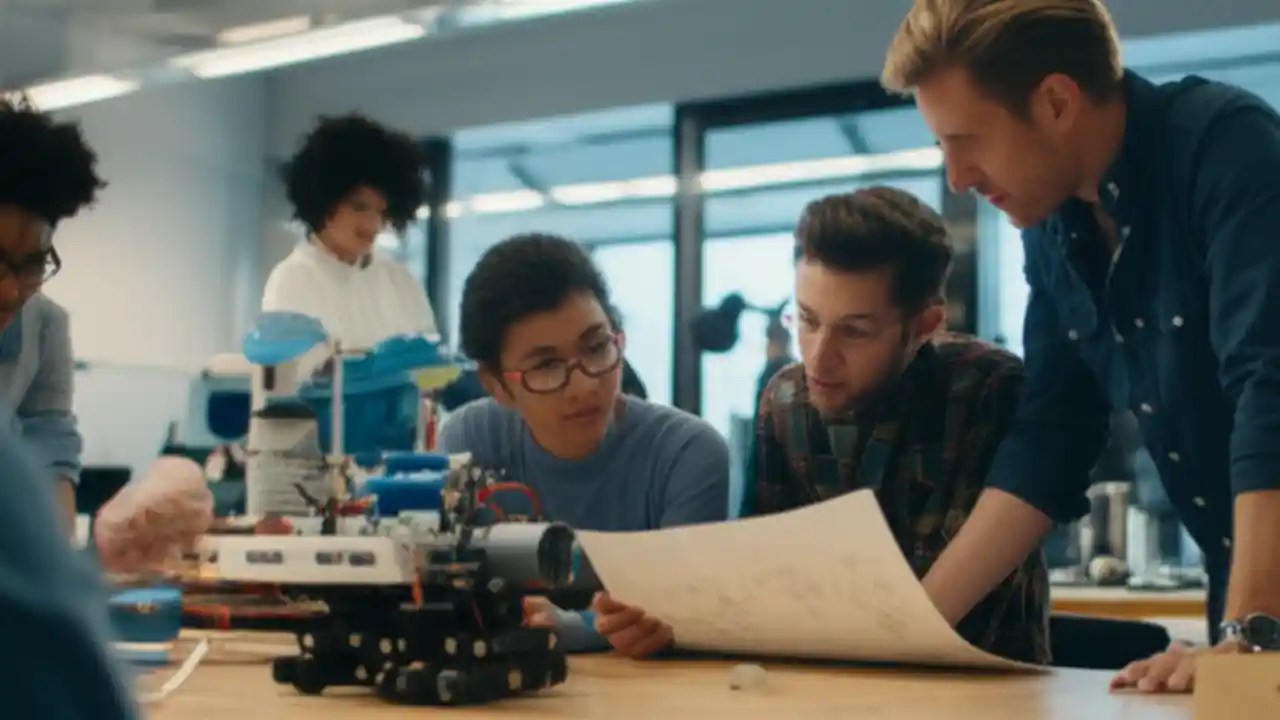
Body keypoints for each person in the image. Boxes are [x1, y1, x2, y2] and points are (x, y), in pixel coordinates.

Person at [880, 0, 1280, 692]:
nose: (957, 177)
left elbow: (1271, 391)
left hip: (1259, 620)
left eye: (965, 139)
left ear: (1058, 102)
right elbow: (1050, 440)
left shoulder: (1226, 148)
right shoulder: (1054, 231)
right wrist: (906, 633)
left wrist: (1250, 635)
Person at [595, 187, 1049, 664]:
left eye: (853, 331)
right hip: (822, 688)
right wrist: (668, 624)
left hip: (981, 693)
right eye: (807, 320)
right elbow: (761, 578)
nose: (818, 357)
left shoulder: (990, 389)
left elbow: (960, 612)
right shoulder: (785, 400)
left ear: (924, 325)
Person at [437, 232, 730, 651]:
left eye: (596, 348)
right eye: (546, 366)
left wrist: (574, 627)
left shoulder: (686, 454)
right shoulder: (469, 442)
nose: (583, 386)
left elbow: (684, 613)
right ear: (497, 385)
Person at [0, 95, 104, 534]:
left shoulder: (42, 326)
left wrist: (59, 585)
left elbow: (50, 457)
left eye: (31, 264)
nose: (10, 291)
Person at [262, 113, 436, 351]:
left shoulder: (401, 281)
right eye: (359, 207)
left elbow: (429, 370)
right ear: (322, 201)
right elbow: (294, 378)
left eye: (382, 213)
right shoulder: (292, 280)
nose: (372, 225)